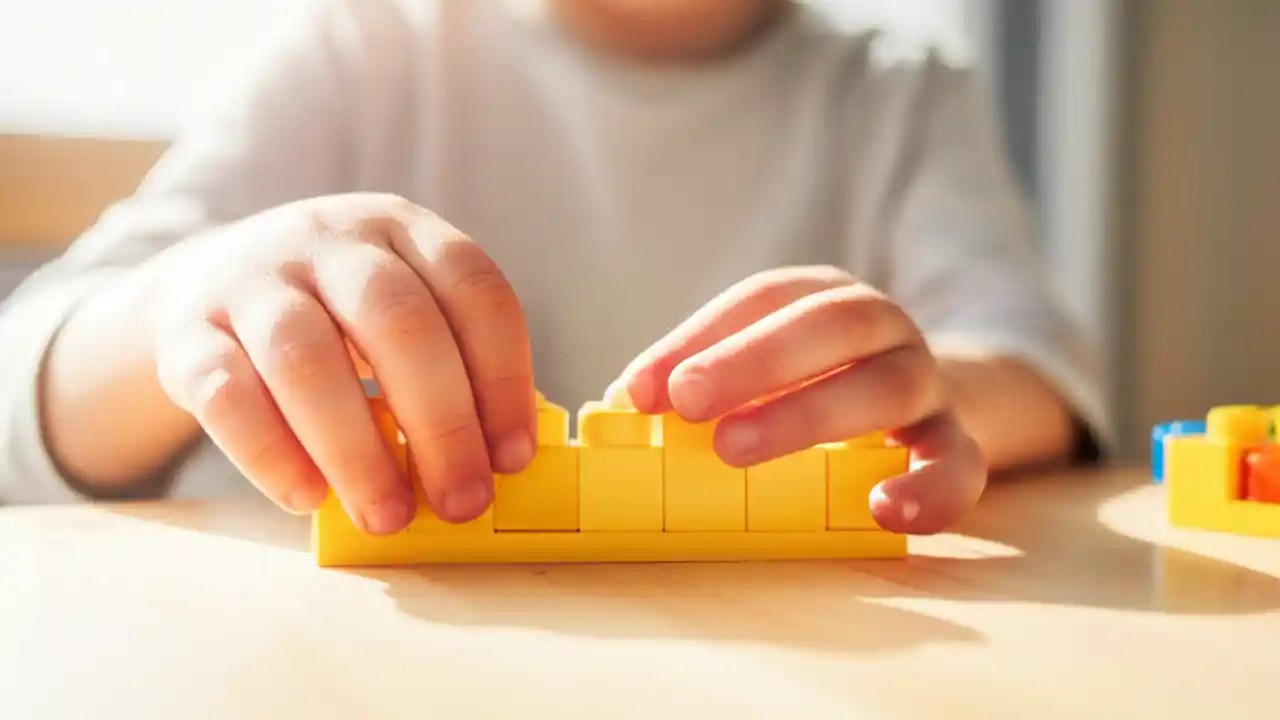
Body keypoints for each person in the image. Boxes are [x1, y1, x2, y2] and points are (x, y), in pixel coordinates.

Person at [0, 0, 1106, 536]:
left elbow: (1036, 367)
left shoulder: (897, 93)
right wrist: (178, 308)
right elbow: (26, 389)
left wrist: (938, 391)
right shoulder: (362, 51)